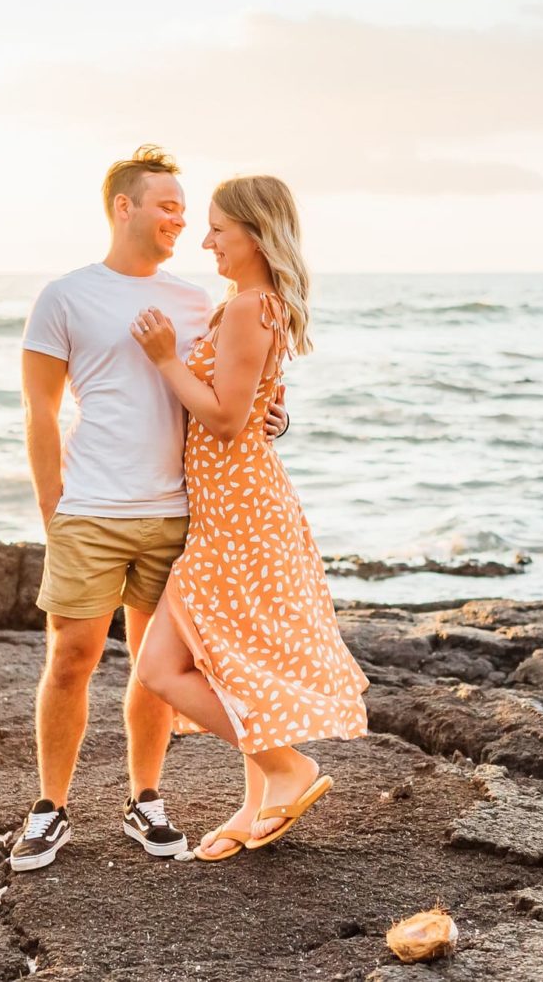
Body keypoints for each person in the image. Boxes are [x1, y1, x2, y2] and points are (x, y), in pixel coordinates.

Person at [9, 146, 288, 872]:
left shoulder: (200, 300)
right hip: (89, 510)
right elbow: (40, 409)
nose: (180, 219)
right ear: (123, 206)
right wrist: (52, 507)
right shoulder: (65, 295)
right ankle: (50, 806)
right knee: (70, 657)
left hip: (176, 511)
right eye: (166, 205)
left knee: (155, 662)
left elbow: (232, 389)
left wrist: (271, 411)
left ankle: (146, 796)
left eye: (185, 210)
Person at [130, 174, 369, 863]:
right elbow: (260, 402)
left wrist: (164, 359)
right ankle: (256, 799)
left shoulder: (246, 307)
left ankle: (287, 767)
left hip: (235, 512)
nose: (204, 240)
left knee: (160, 668)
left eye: (217, 229)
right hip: (241, 503)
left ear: (256, 234)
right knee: (234, 662)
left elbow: (227, 418)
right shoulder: (257, 304)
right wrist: (276, 414)